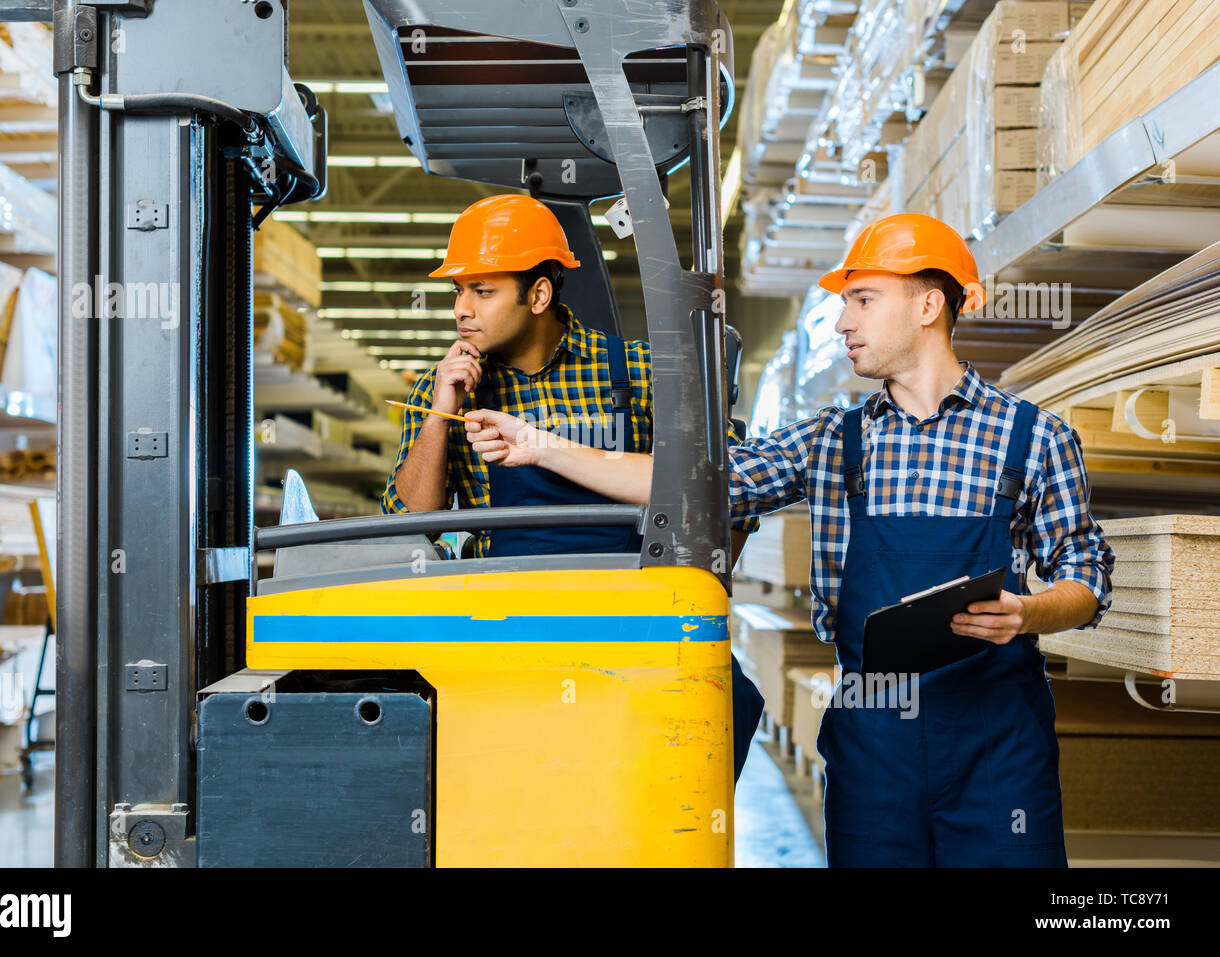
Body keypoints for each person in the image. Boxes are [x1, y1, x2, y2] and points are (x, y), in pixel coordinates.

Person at [463, 212, 1116, 866]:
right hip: (874, 751)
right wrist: (538, 443)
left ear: (928, 304)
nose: (842, 323)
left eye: (862, 299)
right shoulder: (833, 440)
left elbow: (1086, 578)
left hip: (996, 749)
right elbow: (689, 483)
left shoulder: (1034, 437)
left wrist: (1029, 611)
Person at [380, 193, 765, 780]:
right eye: (458, 290)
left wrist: (688, 592)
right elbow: (409, 520)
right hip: (505, 633)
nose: (462, 308)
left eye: (482, 291)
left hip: (630, 630)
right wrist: (439, 412)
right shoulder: (450, 389)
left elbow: (733, 495)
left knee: (720, 704)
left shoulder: (635, 372)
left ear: (538, 294)